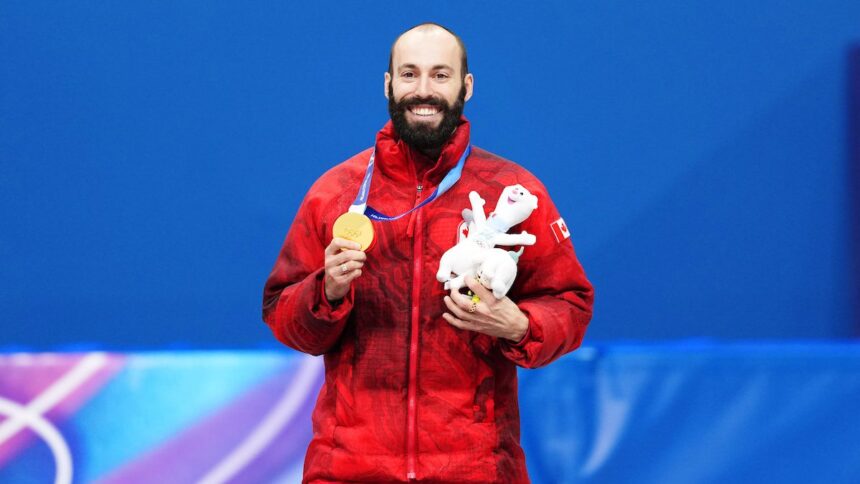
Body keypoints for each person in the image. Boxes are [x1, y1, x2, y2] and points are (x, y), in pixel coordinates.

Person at [262, 22, 593, 483]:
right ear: (388, 84)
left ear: (466, 86)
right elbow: (281, 313)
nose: (423, 90)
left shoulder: (513, 193)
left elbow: (571, 304)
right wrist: (327, 291)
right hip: (350, 470)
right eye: (409, 74)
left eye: (440, 75)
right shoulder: (335, 193)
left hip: (476, 470)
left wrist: (520, 326)